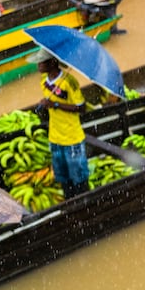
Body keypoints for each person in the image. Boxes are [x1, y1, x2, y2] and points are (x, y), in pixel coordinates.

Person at [30, 50, 90, 199]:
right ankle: (70, 204)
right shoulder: (44, 81)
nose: (38, 65)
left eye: (41, 62)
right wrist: (44, 106)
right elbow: (49, 107)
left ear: (52, 63)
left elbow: (81, 108)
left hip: (72, 138)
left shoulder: (70, 82)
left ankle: (85, 205)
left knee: (79, 179)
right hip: (55, 137)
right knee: (63, 178)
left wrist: (55, 104)